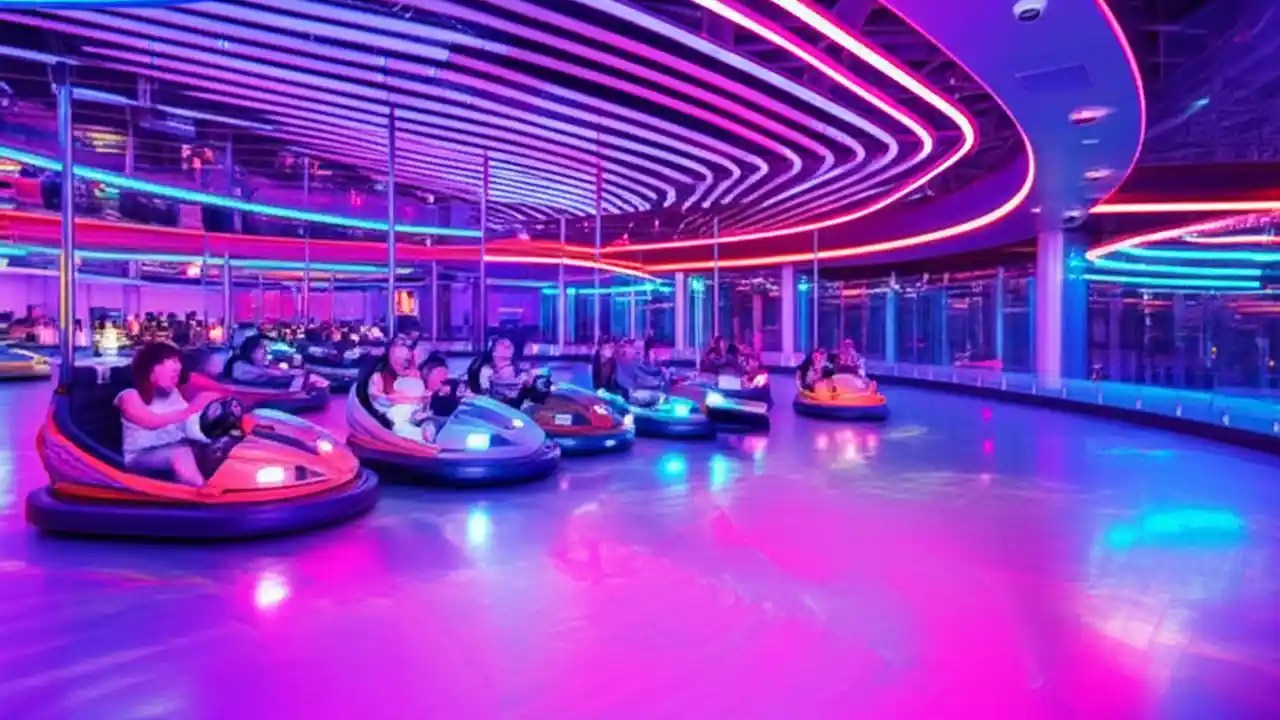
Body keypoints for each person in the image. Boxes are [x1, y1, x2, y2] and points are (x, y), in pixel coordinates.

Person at [115, 342, 217, 486]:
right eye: (173, 361)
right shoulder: (128, 396)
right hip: (140, 456)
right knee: (180, 454)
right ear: (152, 369)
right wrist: (194, 407)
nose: (179, 367)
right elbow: (152, 422)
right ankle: (204, 495)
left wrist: (211, 410)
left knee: (215, 446)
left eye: (179, 362)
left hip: (176, 444)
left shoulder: (172, 393)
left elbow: (189, 421)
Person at [368, 335, 429, 440]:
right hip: (396, 417)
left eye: (407, 361)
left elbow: (424, 396)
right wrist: (400, 399)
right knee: (398, 419)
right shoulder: (378, 377)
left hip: (418, 414)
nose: (403, 365)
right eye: (399, 361)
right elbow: (376, 397)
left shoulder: (415, 374)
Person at [468, 336, 531, 406]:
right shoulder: (487, 372)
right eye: (502, 344)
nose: (507, 346)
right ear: (494, 352)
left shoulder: (519, 372)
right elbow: (486, 397)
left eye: (509, 345)